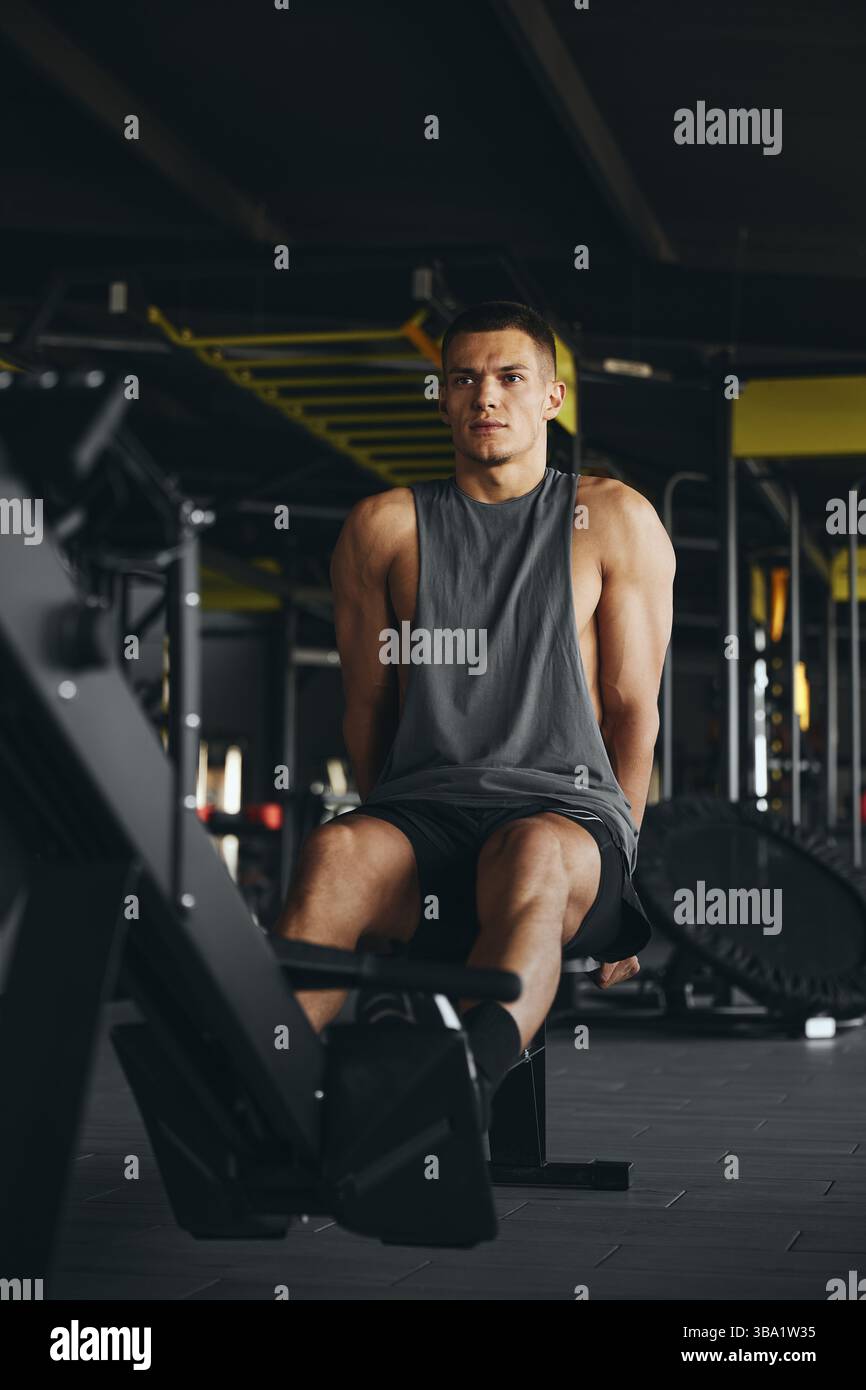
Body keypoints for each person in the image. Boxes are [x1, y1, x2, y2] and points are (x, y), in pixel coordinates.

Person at [276, 300, 675, 1124]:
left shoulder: (613, 520)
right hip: (425, 810)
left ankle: (451, 1089)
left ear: (551, 399)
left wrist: (623, 867)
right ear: (442, 395)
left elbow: (632, 708)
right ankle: (256, 1100)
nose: (485, 396)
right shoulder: (382, 529)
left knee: (531, 855)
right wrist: (382, 826)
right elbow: (369, 706)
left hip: (563, 817)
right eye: (464, 379)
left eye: (509, 377)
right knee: (335, 854)